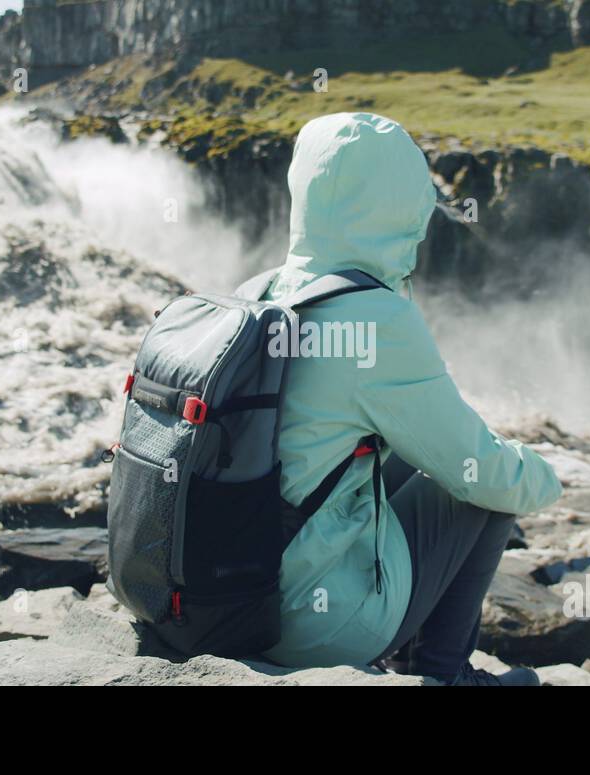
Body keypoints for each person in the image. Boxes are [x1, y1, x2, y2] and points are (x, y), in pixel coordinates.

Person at [237, 113, 564, 686]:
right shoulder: (375, 318)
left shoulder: (259, 294)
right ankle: (441, 672)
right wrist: (542, 475)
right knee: (484, 492)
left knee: (415, 455)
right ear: (401, 204)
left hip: (225, 598)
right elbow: (483, 471)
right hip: (308, 629)